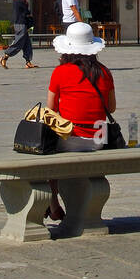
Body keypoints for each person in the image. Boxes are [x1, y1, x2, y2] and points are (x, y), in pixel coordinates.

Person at [45, 23, 116, 222]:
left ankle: (52, 202)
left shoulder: (60, 72)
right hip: (98, 140)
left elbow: (51, 109)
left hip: (71, 139)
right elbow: (110, 108)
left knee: (48, 148)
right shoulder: (104, 72)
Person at [0, 0, 37, 69]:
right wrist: (28, 15)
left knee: (27, 43)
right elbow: (23, 12)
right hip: (20, 23)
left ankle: (28, 61)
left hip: (23, 23)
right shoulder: (18, 1)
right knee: (19, 42)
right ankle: (5, 56)